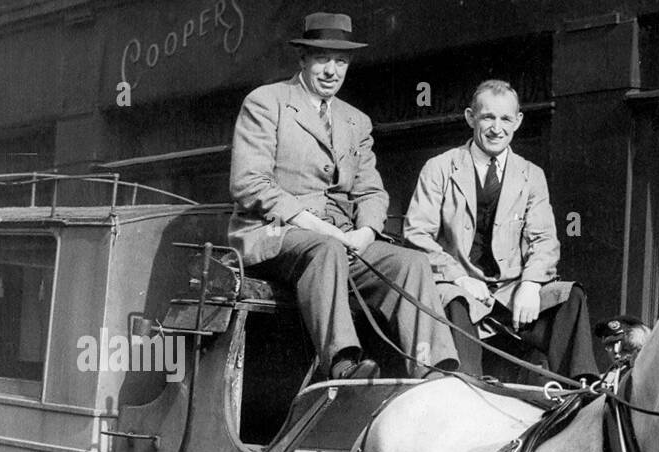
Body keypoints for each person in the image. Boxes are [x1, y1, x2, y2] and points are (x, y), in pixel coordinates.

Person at [228, 12, 458, 379]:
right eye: (322, 58)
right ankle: (342, 363)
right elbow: (249, 183)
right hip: (276, 235)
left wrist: (365, 232)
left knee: (410, 263)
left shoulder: (356, 121)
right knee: (326, 249)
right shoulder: (266, 102)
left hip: (344, 241)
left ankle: (434, 371)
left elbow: (371, 191)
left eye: (341, 60)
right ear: (302, 58)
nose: (331, 70)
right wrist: (325, 231)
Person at [403, 79, 601, 380]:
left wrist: (532, 284)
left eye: (505, 118)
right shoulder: (440, 168)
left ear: (518, 121)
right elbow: (417, 234)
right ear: (471, 117)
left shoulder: (531, 175)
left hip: (512, 292)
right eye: (488, 117)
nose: (497, 128)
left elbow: (545, 240)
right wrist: (458, 277)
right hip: (460, 289)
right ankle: (466, 391)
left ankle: (577, 395)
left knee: (569, 297)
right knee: (453, 302)